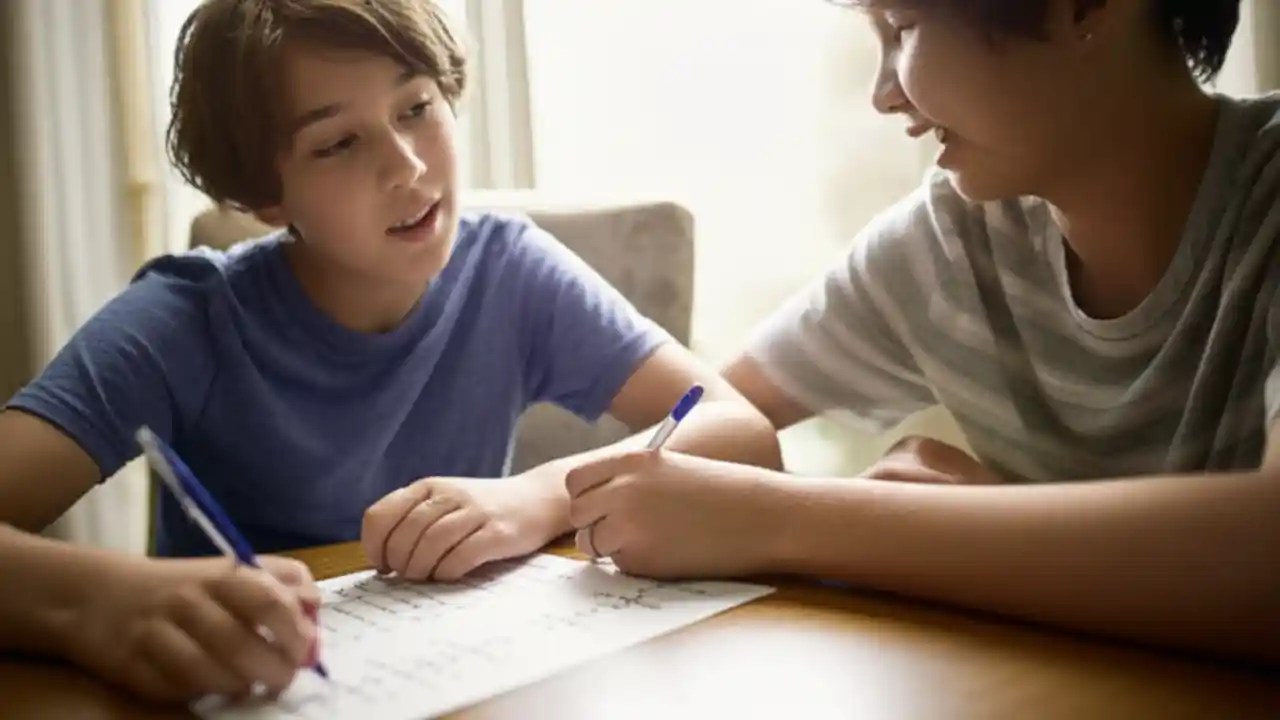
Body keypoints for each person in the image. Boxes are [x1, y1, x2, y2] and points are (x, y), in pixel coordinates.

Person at [0, 0, 780, 703]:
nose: (406, 166)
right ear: (262, 196)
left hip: (464, 681)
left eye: (416, 106)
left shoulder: (509, 271)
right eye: (338, 143)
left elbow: (739, 432)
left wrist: (540, 496)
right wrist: (105, 600)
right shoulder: (186, 317)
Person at [566, 0, 1280, 664]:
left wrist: (784, 520)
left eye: (903, 26)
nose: (885, 94)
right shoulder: (949, 243)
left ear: (1085, 7)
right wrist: (536, 497)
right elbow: (721, 409)